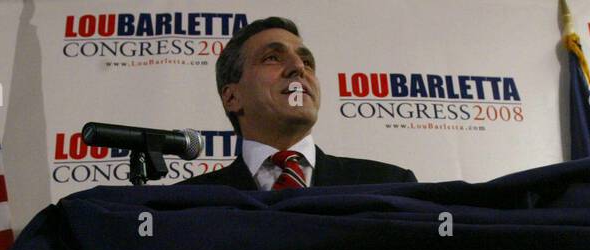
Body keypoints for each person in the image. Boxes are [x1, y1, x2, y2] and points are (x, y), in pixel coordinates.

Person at [179, 16, 417, 189]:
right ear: (232, 97)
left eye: (307, 61)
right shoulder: (187, 204)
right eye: (272, 58)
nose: (298, 68)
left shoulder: (391, 184)